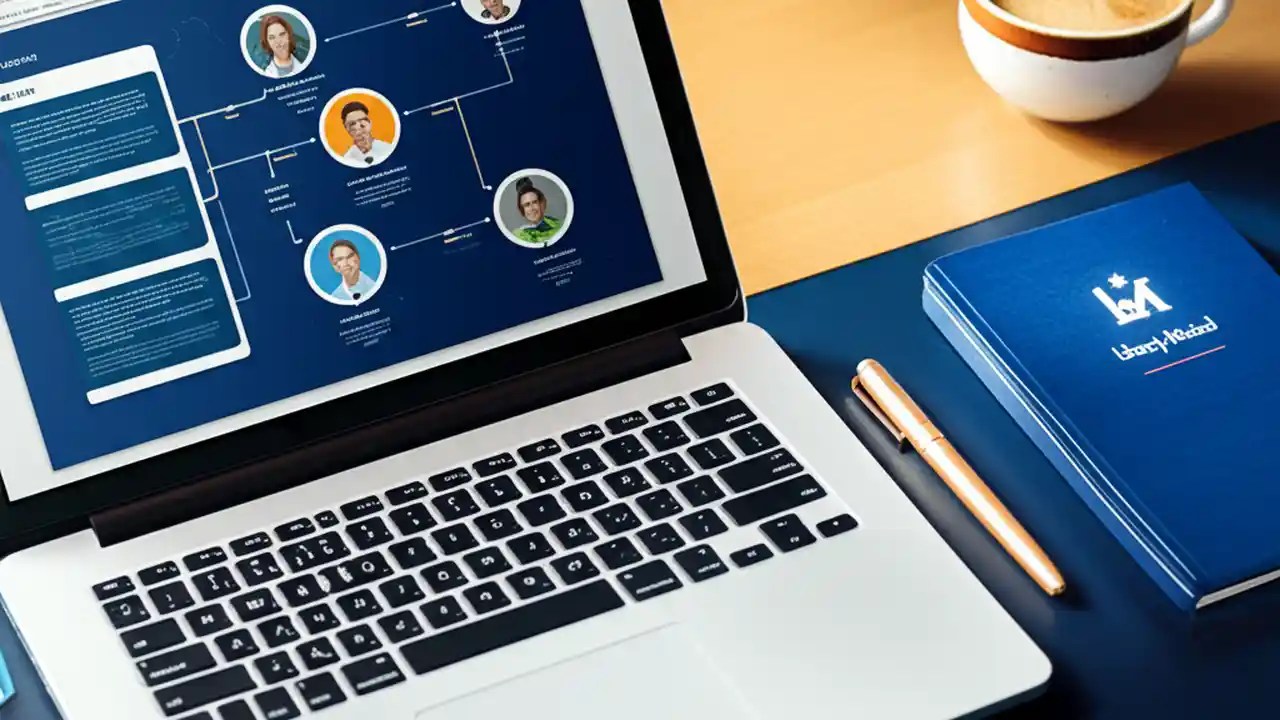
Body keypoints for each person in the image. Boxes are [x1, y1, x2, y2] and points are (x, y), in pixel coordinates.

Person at [340, 101, 395, 167]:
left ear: (370, 123)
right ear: (346, 129)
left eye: (362, 121)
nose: (358, 127)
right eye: (352, 124)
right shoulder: (347, 160)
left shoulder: (388, 149)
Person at [513, 177, 565, 246]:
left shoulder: (558, 225)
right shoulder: (518, 236)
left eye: (534, 202)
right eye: (527, 205)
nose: (532, 208)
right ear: (522, 209)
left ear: (541, 204)